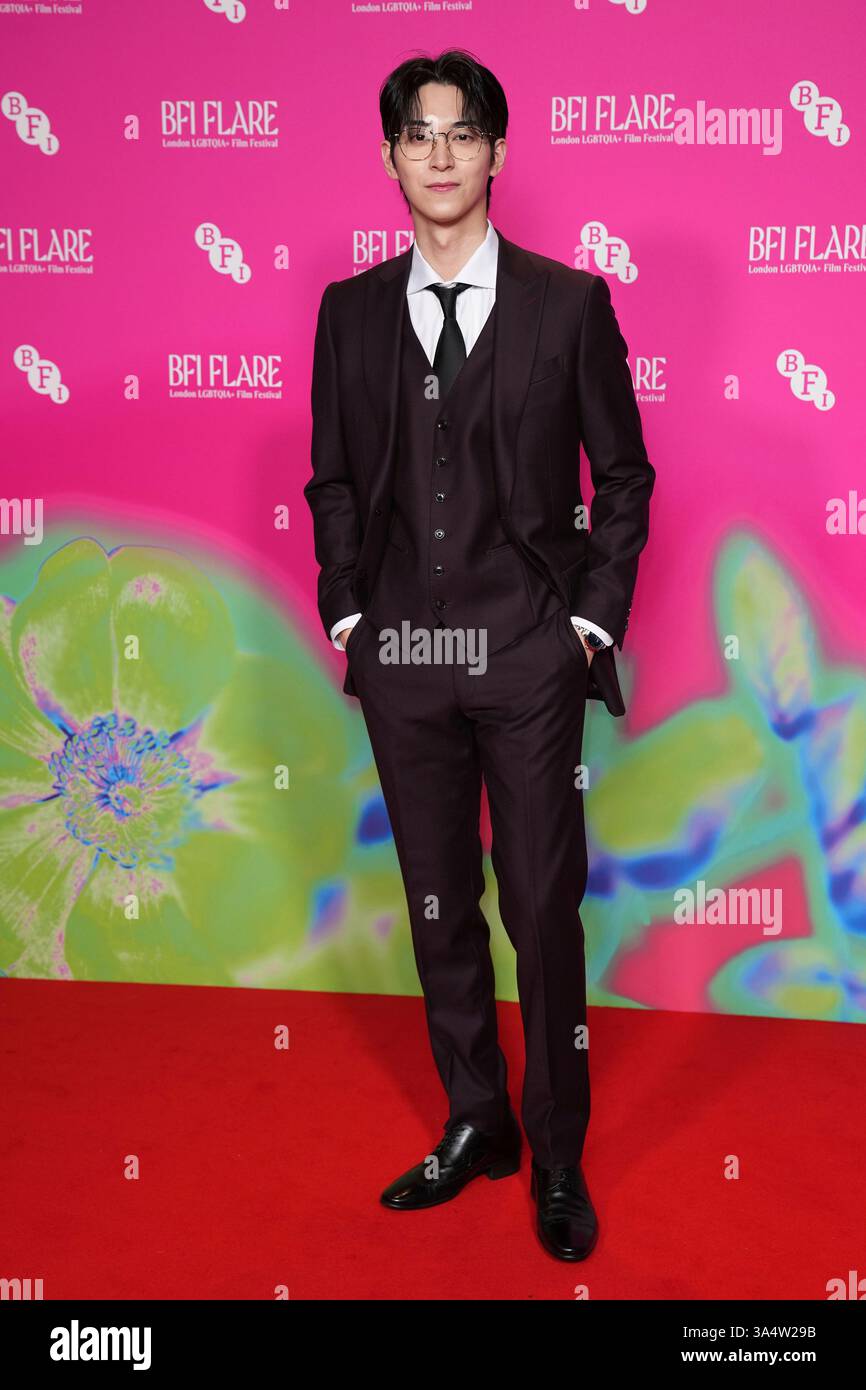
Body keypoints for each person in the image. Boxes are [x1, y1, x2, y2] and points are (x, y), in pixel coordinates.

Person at [303, 48, 654, 1261]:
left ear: (497, 152)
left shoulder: (569, 305)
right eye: (415, 134)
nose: (438, 154)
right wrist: (350, 613)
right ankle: (476, 1119)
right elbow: (335, 480)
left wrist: (586, 626)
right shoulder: (348, 315)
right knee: (438, 901)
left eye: (460, 134)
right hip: (403, 654)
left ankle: (555, 1152)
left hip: (526, 652)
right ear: (391, 154)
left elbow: (621, 478)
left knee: (542, 906)